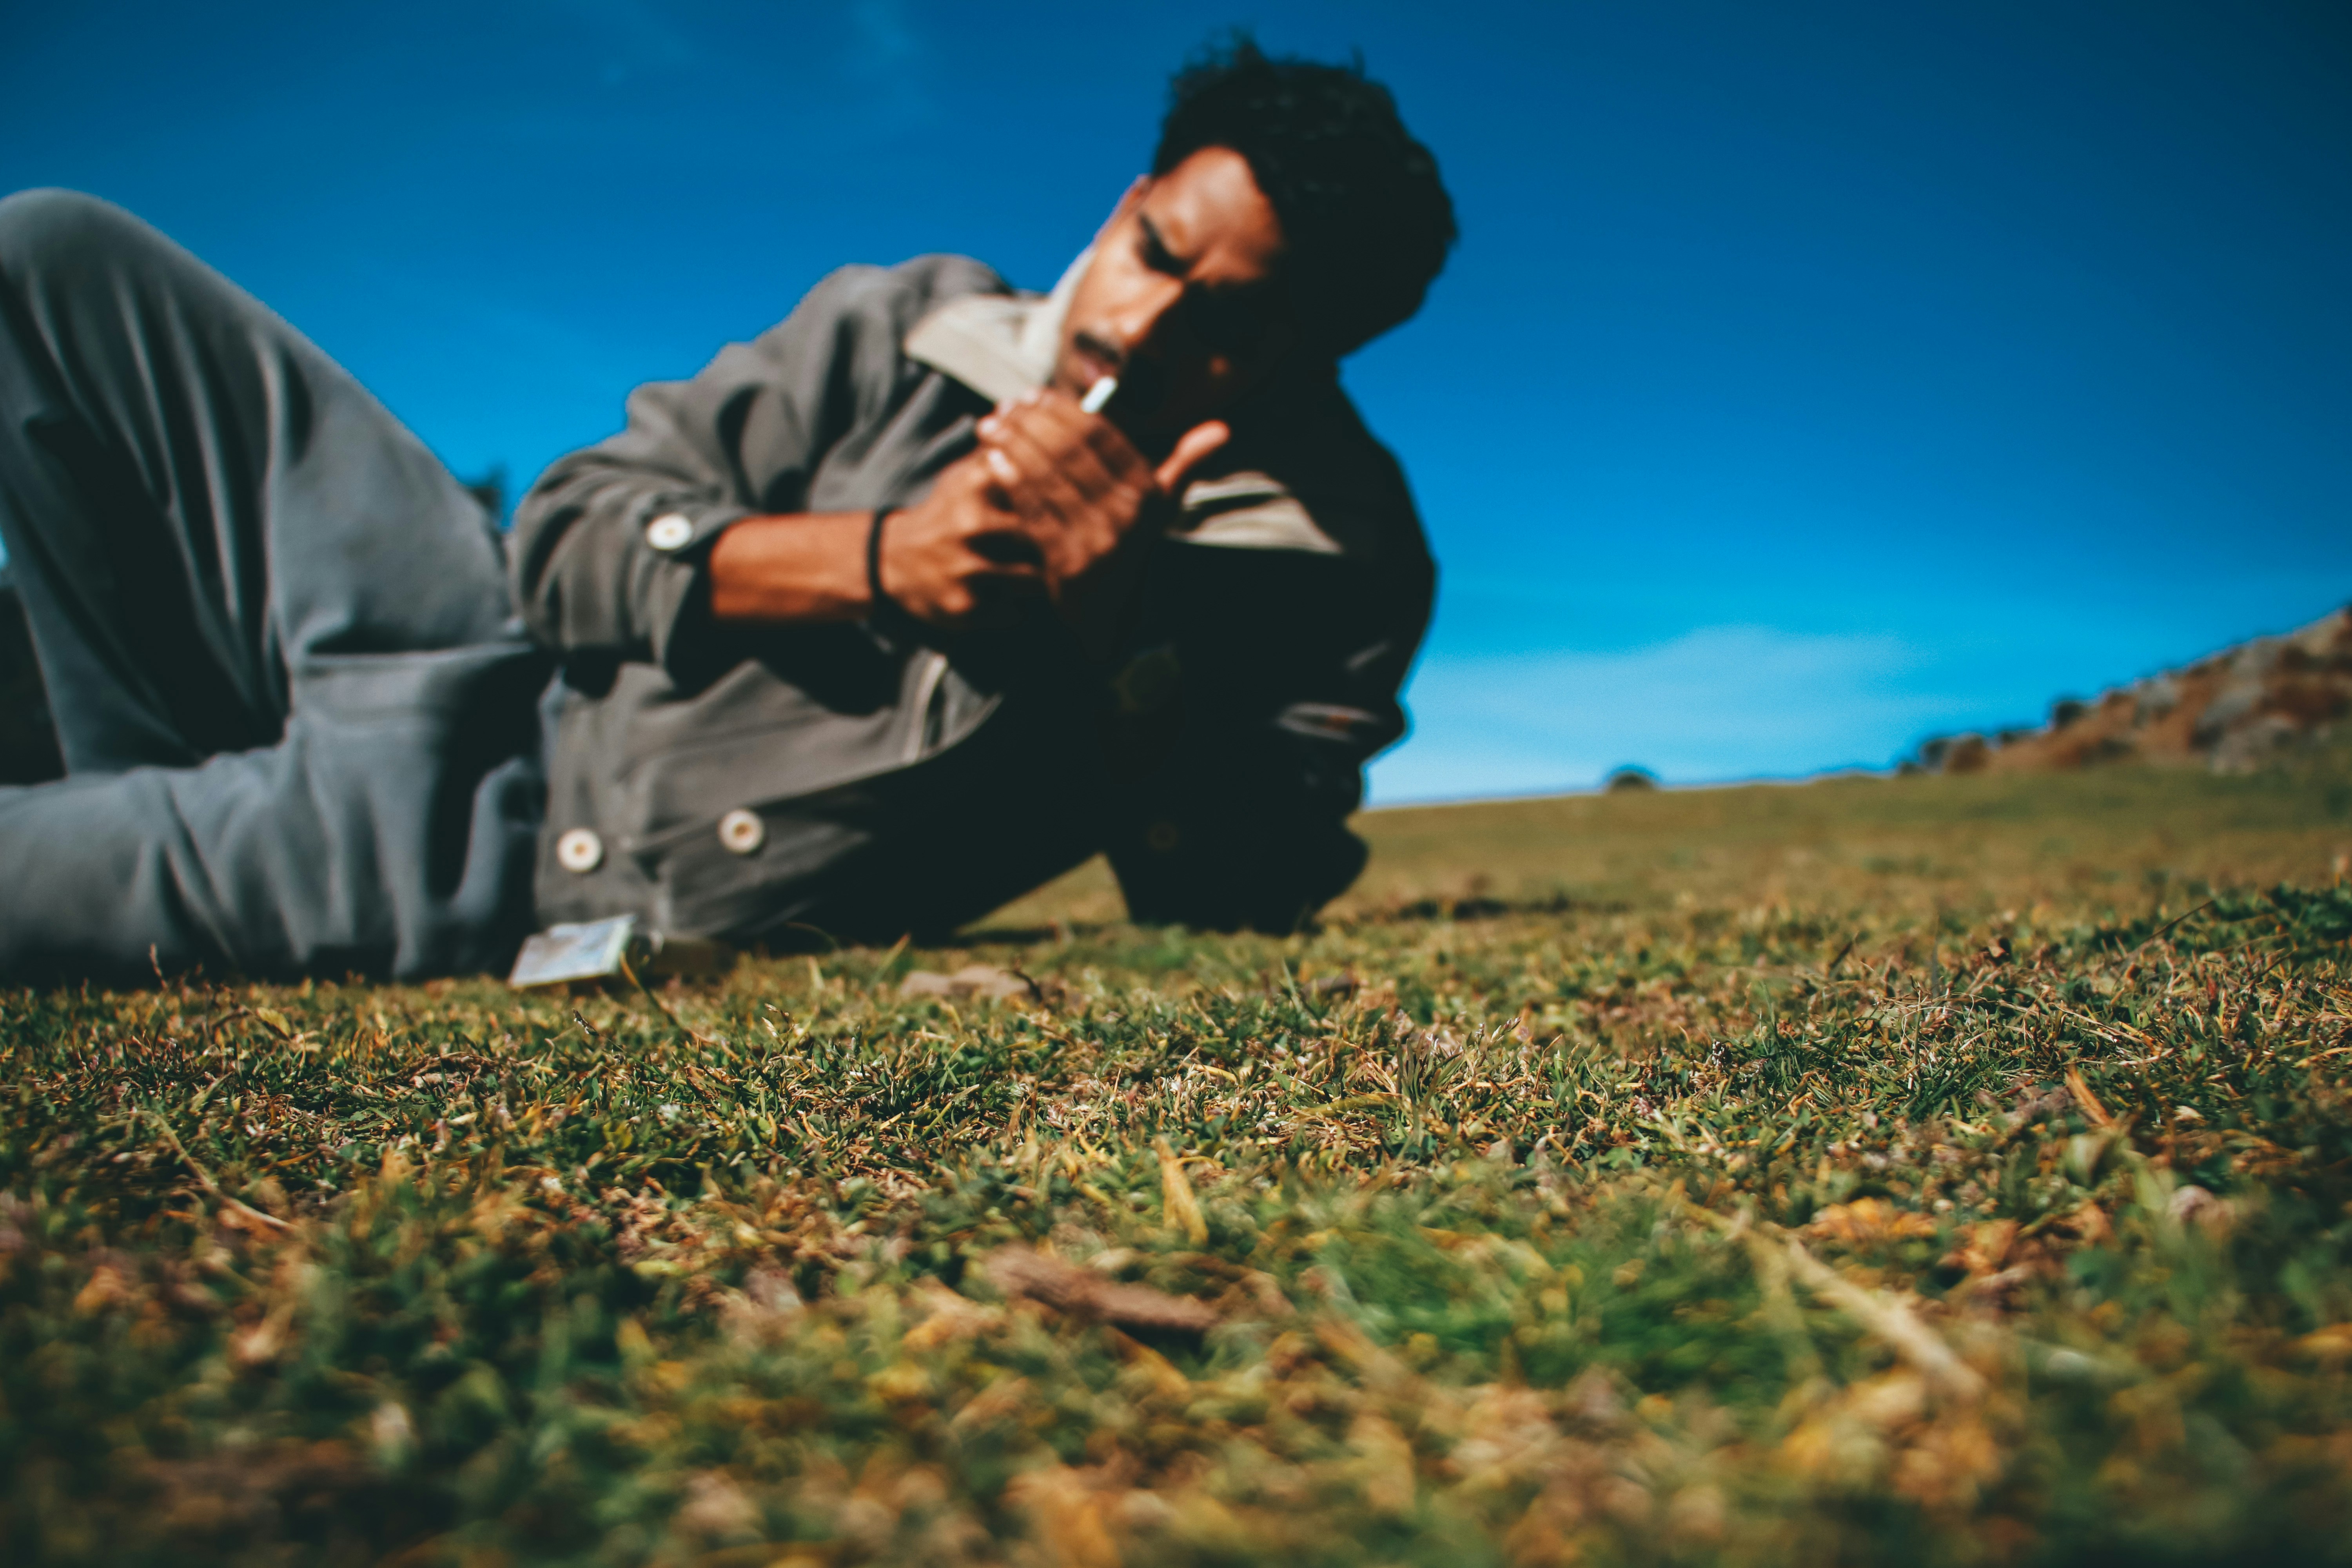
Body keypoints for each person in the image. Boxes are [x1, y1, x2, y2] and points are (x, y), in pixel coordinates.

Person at [0, 39, 1453, 982]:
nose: (1142, 330)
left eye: (1234, 326)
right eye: (1153, 251)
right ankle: (155, 813)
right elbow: (565, 535)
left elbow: (1244, 898)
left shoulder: (1338, 571)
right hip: (460, 637)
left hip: (486, 849)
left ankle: (161, 848)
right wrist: (884, 562)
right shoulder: (901, 321)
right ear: (1129, 197)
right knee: (53, 252)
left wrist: (1121, 655)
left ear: (1319, 356)